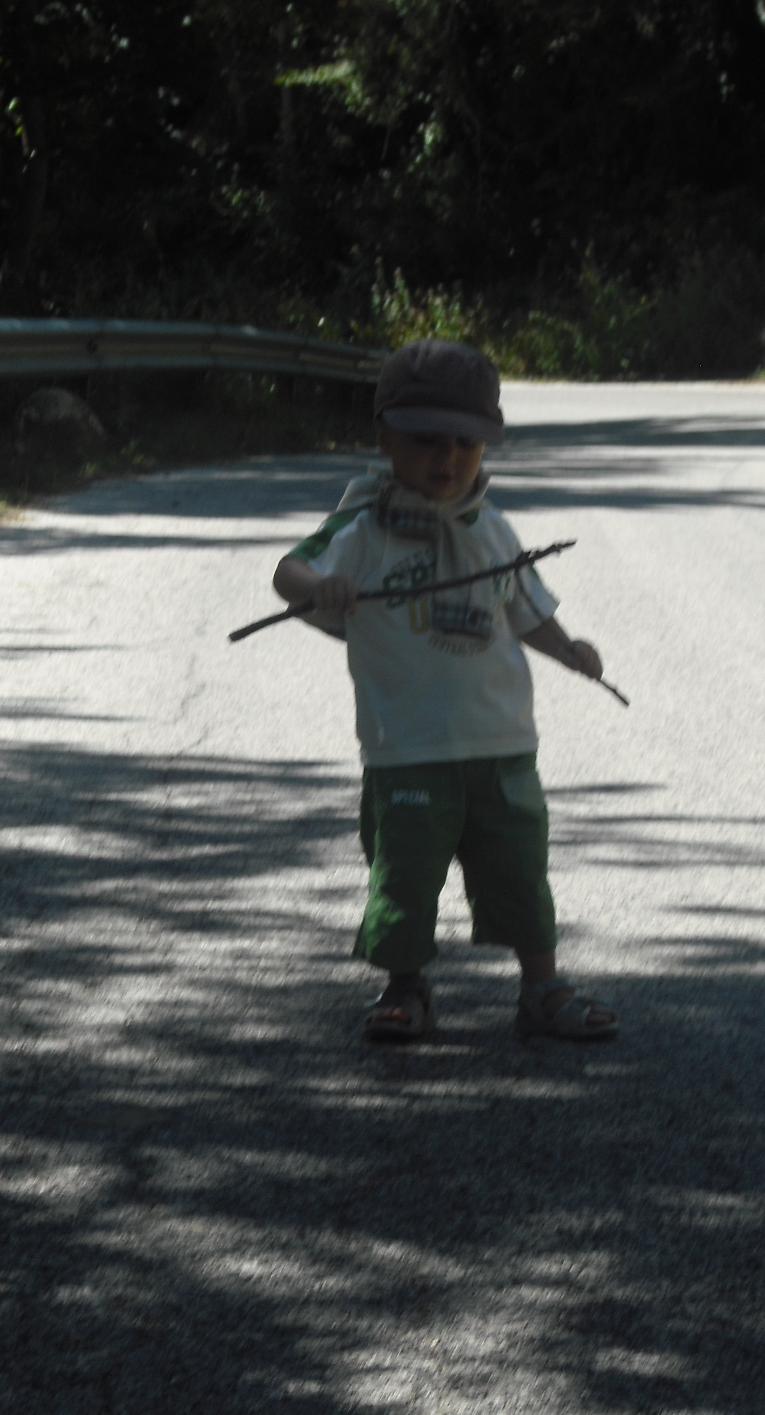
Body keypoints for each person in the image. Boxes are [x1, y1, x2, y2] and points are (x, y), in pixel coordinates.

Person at [272, 339, 618, 1043]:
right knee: (403, 879)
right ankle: (404, 989)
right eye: (426, 441)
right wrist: (321, 588)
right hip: (406, 748)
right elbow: (289, 571)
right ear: (384, 440)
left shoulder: (491, 526)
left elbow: (526, 609)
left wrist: (568, 649)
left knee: (520, 872)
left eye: (466, 444)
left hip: (501, 743)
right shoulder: (364, 525)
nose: (448, 459)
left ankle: (541, 986)